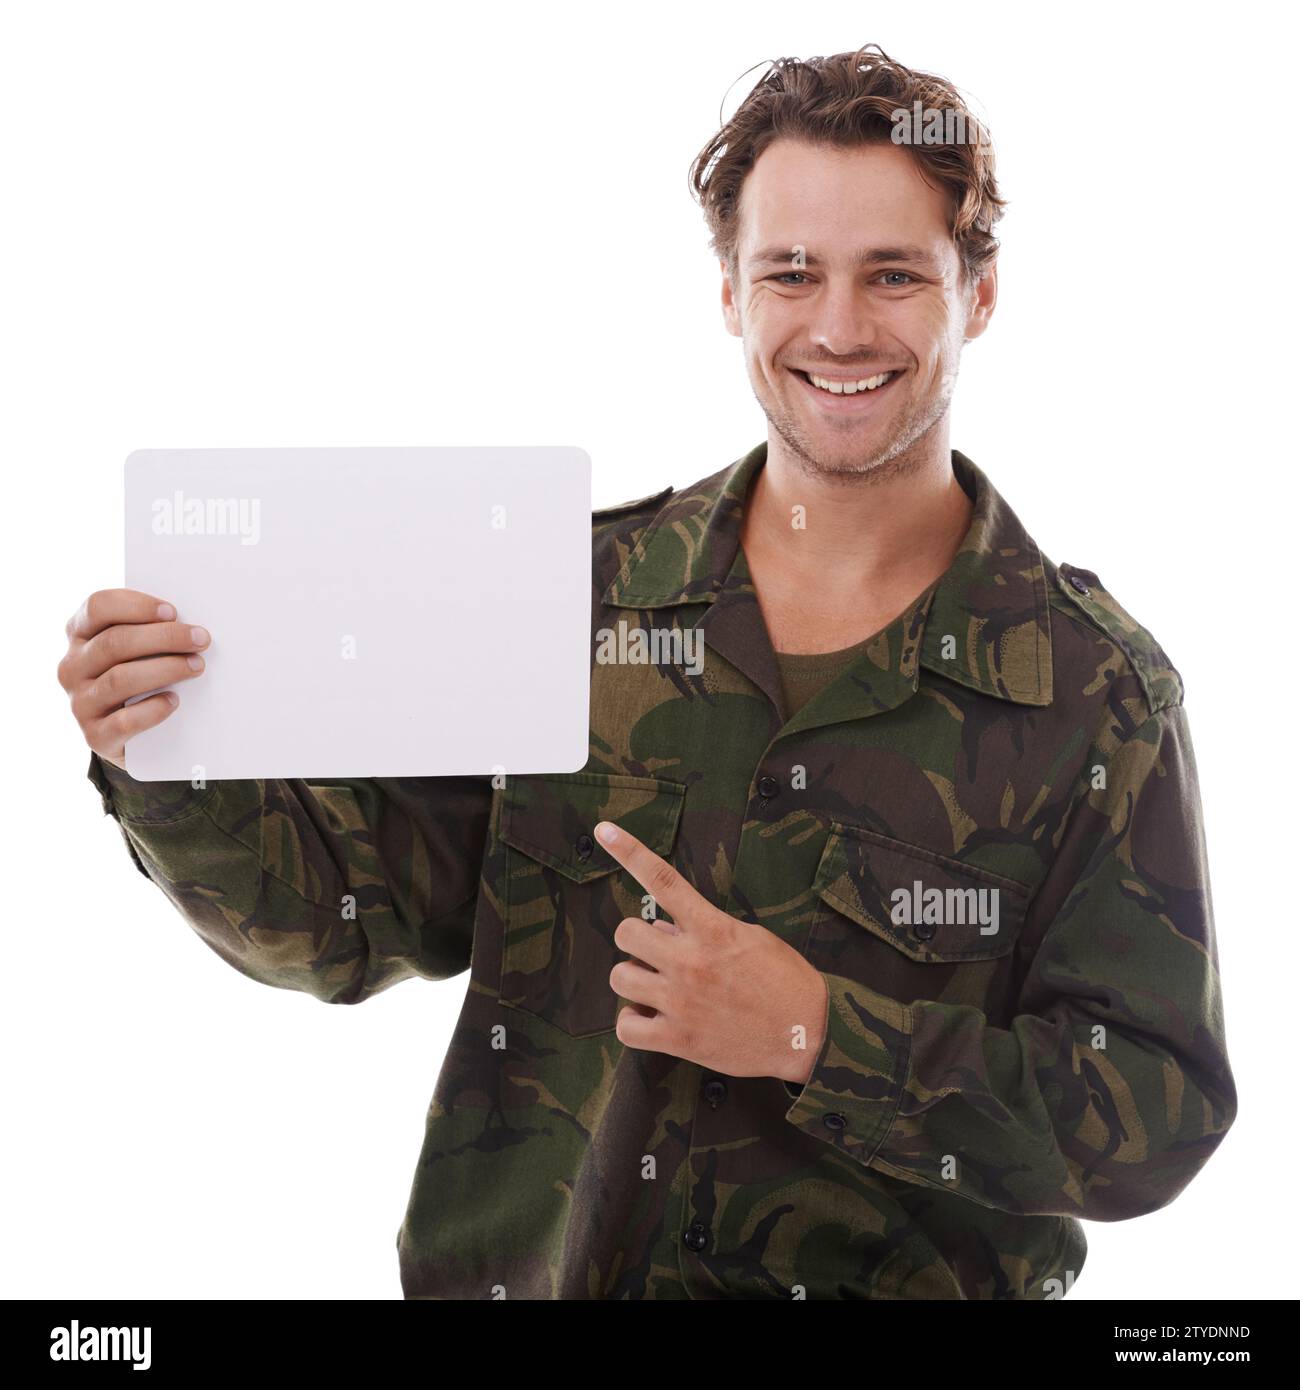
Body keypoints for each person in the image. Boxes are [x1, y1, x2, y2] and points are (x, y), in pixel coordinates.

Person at [61, 43, 1236, 1299]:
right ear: (731, 289)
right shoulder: (563, 601)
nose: (838, 326)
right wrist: (167, 758)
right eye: (790, 271)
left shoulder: (1091, 693)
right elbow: (342, 922)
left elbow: (1151, 1108)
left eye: (892, 274)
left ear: (979, 292)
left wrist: (817, 1034)